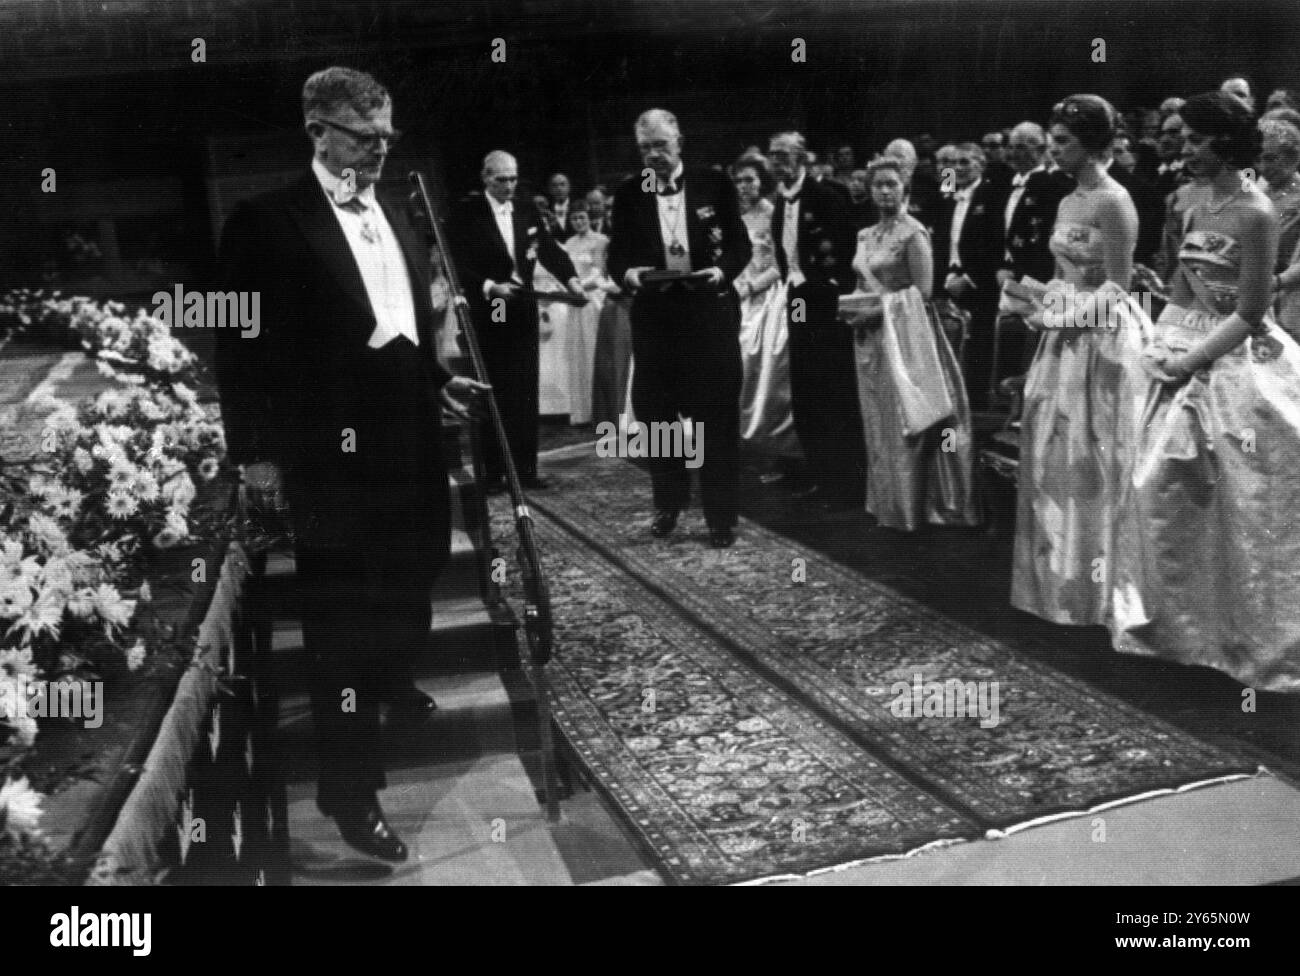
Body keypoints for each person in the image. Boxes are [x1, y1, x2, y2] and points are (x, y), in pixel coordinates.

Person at [214, 67, 489, 862]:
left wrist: (439, 381)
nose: (378, 152)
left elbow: (396, 324)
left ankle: (387, 680)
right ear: (319, 133)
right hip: (327, 461)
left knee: (419, 578)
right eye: (364, 139)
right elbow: (239, 349)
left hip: (408, 449)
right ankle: (349, 792)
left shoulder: (398, 210)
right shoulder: (265, 222)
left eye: (387, 138)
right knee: (341, 631)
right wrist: (257, 459)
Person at [1111, 91, 1300, 692]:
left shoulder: (1257, 212)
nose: (1184, 148)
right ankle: (1185, 634)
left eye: (1194, 139)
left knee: (1242, 507)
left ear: (1223, 143)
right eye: (1183, 137)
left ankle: (1249, 644)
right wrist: (1162, 345)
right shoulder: (1191, 202)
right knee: (1161, 493)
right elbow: (1182, 287)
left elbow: (1251, 310)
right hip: (1183, 353)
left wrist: (1192, 359)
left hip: (1237, 365)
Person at [1011, 94, 1149, 627]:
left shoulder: (1115, 202)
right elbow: (1062, 273)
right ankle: (1057, 582)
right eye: (1053, 142)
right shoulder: (1067, 200)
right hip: (1062, 333)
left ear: (1092, 144)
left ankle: (1099, 589)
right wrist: (1038, 299)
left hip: (1103, 339)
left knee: (1093, 457)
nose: (1054, 150)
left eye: (1063, 142)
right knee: (1054, 451)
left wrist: (1066, 317)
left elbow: (1120, 285)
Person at [607, 109, 751, 548]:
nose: (654, 155)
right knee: (658, 420)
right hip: (656, 322)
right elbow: (617, 256)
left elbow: (740, 245)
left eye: (661, 146)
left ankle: (720, 517)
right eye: (646, 148)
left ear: (679, 143)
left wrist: (722, 273)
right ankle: (668, 505)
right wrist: (628, 276)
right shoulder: (631, 193)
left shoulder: (713, 183)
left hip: (708, 318)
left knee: (716, 420)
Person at [846, 156, 980, 531]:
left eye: (892, 184)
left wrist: (876, 313)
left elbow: (922, 293)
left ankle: (914, 508)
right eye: (878, 185)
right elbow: (861, 284)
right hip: (869, 336)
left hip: (907, 336)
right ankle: (886, 502)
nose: (885, 191)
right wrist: (852, 308)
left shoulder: (915, 233)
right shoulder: (865, 234)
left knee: (908, 419)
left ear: (904, 187)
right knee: (877, 418)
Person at [448, 150, 585, 492]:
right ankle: (494, 473)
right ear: (486, 178)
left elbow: (550, 250)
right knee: (494, 387)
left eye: (513, 179)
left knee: (524, 389)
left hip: (521, 306)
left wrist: (573, 282)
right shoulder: (467, 213)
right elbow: (455, 262)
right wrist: (489, 286)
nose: (509, 186)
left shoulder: (526, 209)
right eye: (501, 180)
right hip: (490, 306)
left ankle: (525, 471)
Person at [768, 130, 865, 506]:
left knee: (832, 387)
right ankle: (821, 474)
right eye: (772, 157)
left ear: (802, 158)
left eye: (783, 155)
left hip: (825, 296)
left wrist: (833, 288)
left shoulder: (827, 195)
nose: (777, 163)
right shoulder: (782, 200)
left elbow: (846, 246)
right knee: (805, 384)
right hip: (797, 297)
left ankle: (845, 481)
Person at [931, 142, 1008, 410]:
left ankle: (975, 407)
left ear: (981, 165)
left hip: (979, 285)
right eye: (955, 163)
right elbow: (939, 241)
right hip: (945, 283)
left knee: (977, 347)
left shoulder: (994, 195)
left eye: (966, 162)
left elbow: (997, 245)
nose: (958, 168)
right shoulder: (947, 195)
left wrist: (970, 278)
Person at [731, 155, 798, 460]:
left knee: (753, 358)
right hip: (735, 292)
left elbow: (780, 264)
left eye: (750, 179)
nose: (744, 186)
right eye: (739, 180)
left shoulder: (773, 212)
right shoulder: (732, 214)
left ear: (762, 181)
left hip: (764, 294)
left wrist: (751, 287)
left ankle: (762, 437)